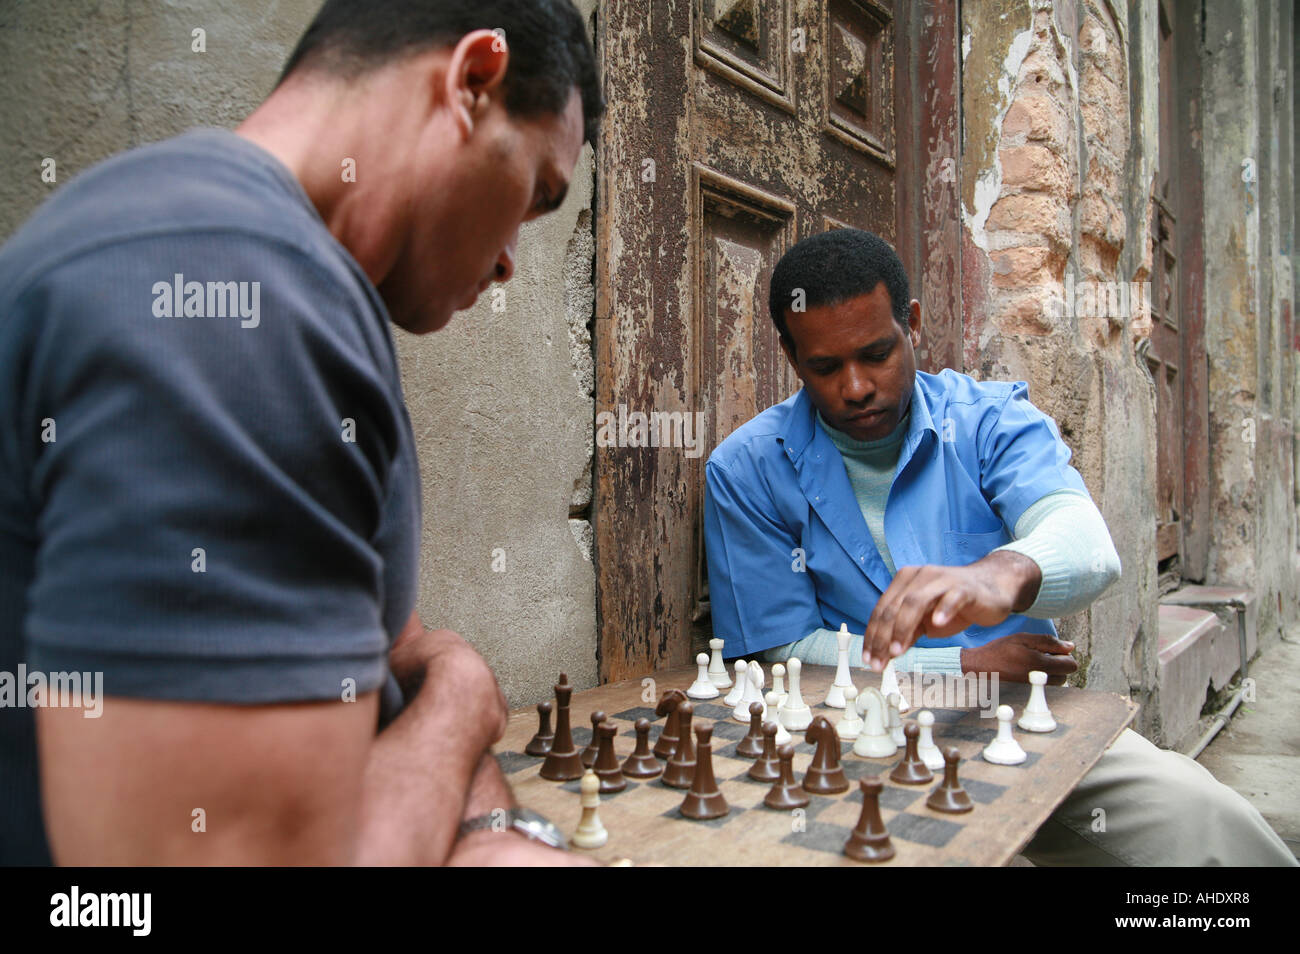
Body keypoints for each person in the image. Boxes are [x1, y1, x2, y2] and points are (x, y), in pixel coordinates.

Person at [0, 0, 603, 865]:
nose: (511, 255)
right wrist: (464, 701)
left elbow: (394, 654)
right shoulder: (237, 289)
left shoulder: (259, 263)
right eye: (537, 195)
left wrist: (485, 828)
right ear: (472, 80)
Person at [704, 228, 1296, 866]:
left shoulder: (988, 421)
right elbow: (781, 651)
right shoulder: (746, 470)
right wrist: (961, 670)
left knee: (1203, 818)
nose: (855, 387)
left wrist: (1000, 574)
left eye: (877, 354)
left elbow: (1090, 546)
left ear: (914, 325)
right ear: (792, 359)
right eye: (825, 367)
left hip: (1019, 713)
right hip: (846, 732)